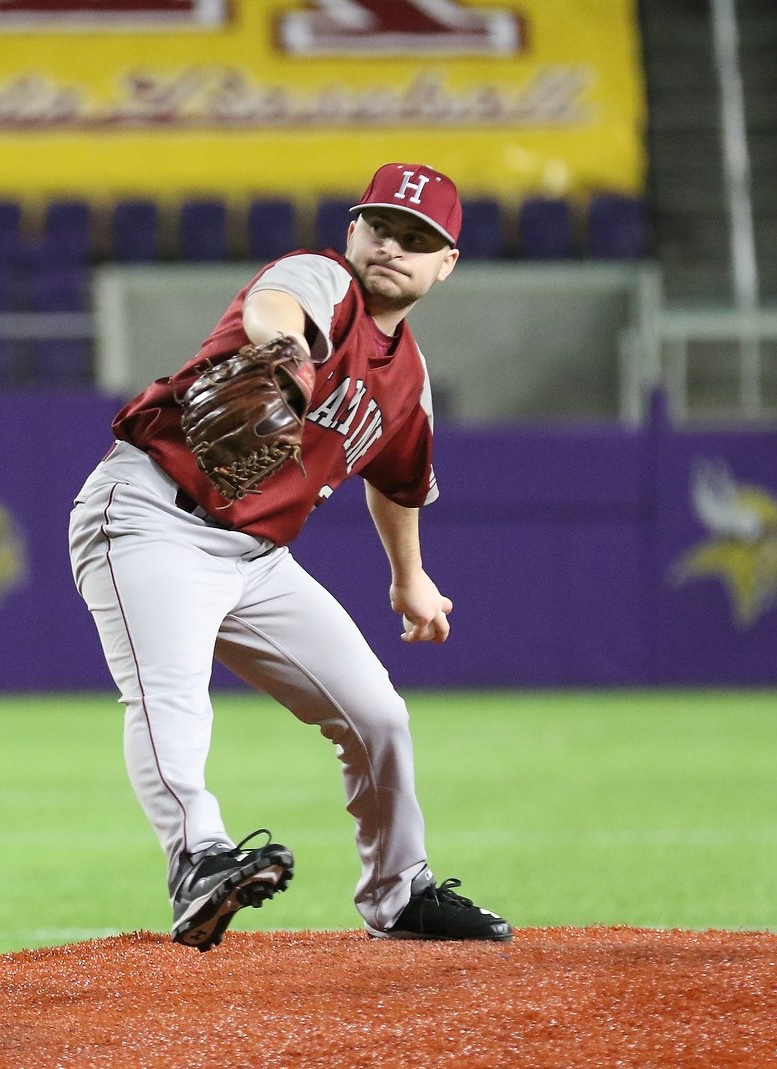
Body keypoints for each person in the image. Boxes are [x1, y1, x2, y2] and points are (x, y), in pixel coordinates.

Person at [67, 163, 512, 951]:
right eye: (381, 228)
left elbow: (399, 480)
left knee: (376, 714)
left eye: (418, 240)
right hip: (152, 516)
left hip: (256, 559)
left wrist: (409, 578)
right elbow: (279, 306)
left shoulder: (406, 381)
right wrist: (288, 355)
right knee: (170, 697)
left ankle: (399, 892)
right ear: (353, 231)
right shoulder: (321, 280)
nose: (392, 248)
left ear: (446, 264)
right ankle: (198, 858)